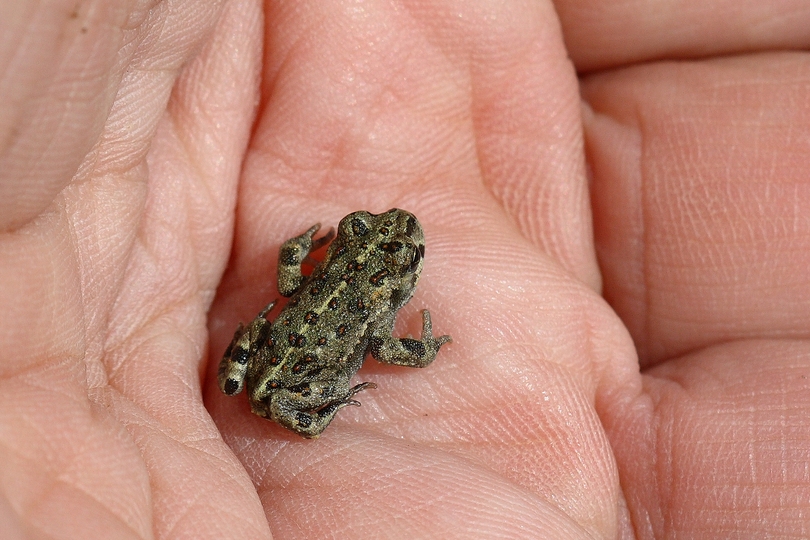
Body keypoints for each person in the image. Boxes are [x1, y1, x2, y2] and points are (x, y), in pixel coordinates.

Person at [1, 1, 807, 538]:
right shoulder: (373, 314)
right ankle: (307, 402)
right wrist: (428, 345)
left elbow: (287, 281)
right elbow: (387, 349)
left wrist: (306, 258)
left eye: (393, 246)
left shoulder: (315, 278)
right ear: (376, 273)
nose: (391, 235)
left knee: (267, 357)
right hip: (295, 376)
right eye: (378, 239)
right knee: (300, 401)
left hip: (273, 343)